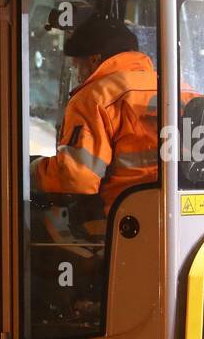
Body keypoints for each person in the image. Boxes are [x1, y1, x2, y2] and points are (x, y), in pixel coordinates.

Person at [34, 14, 158, 213]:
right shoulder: (181, 90)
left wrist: (33, 172)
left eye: (77, 68)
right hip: (181, 220)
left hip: (126, 220)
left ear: (94, 60)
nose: (80, 77)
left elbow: (78, 179)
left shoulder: (94, 98)